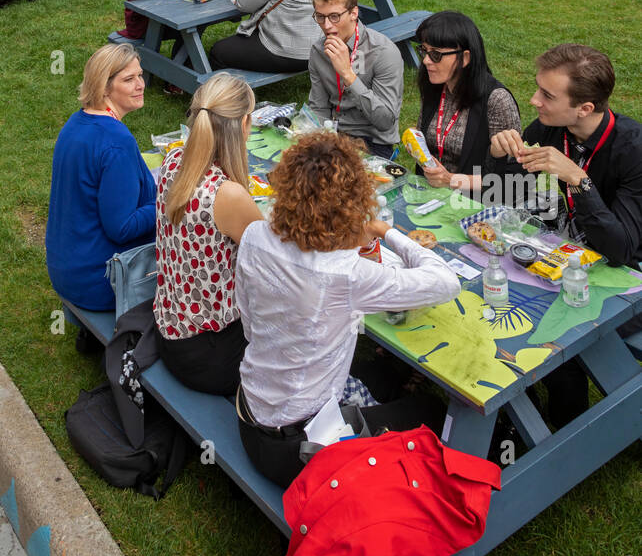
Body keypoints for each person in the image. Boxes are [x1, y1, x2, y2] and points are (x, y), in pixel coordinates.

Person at [235, 131, 460, 489]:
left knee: (385, 372)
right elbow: (446, 281)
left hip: (249, 414)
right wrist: (388, 231)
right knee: (434, 411)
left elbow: (249, 324)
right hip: (302, 450)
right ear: (352, 202)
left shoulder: (255, 236)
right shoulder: (344, 273)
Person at [490, 44, 642, 428]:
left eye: (547, 95)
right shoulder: (554, 128)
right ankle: (539, 413)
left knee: (550, 324)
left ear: (585, 108)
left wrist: (579, 179)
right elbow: (507, 186)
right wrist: (500, 154)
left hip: (630, 273)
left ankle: (562, 429)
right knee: (500, 287)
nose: (533, 100)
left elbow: (622, 249)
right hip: (578, 251)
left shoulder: (633, 150)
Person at [153, 74, 262, 394]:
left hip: (172, 330)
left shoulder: (174, 160)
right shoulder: (227, 195)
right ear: (243, 125)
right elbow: (278, 260)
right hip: (211, 355)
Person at [46, 44, 157, 330]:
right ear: (105, 87)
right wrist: (168, 203)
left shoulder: (75, 123)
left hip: (66, 265)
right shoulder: (115, 140)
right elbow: (121, 228)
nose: (140, 85)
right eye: (128, 79)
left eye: (140, 75)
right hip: (99, 279)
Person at [413, 11, 521, 200]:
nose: (426, 60)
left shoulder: (497, 100)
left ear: (465, 58)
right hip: (429, 195)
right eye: (423, 50)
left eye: (436, 54)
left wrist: (450, 179)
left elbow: (511, 179)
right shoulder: (435, 84)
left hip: (475, 204)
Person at [308, 0, 404, 156]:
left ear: (354, 13)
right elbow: (318, 107)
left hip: (372, 140)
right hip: (332, 133)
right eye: (320, 17)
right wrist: (317, 138)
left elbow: (385, 121)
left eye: (335, 16)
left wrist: (348, 74)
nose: (327, 26)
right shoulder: (318, 51)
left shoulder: (383, 52)